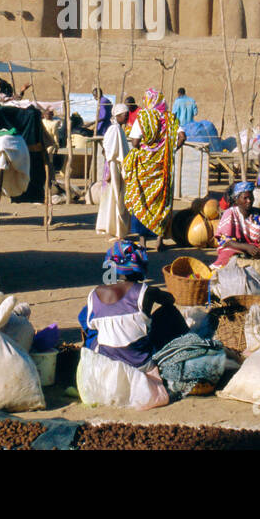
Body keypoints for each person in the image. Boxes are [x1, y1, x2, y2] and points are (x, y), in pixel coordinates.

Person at [79, 240, 186, 364]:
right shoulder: (146, 291)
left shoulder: (95, 293)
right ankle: (185, 346)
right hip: (141, 361)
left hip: (106, 360)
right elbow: (170, 300)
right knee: (170, 311)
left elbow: (87, 322)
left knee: (87, 316)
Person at [122, 88, 184, 250]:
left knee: (143, 201)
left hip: (144, 168)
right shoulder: (170, 118)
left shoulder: (143, 117)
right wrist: (169, 150)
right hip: (163, 167)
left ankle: (142, 241)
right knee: (162, 203)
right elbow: (182, 136)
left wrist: (148, 148)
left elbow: (135, 142)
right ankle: (159, 240)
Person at [214, 181, 260, 267]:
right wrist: (247, 247)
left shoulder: (259, 214)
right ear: (236, 200)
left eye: (251, 197)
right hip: (237, 248)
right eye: (245, 198)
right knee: (227, 254)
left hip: (255, 248)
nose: (249, 201)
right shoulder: (230, 213)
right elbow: (225, 240)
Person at [95, 103, 132, 240]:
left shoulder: (119, 130)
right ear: (118, 116)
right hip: (114, 167)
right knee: (116, 198)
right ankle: (116, 230)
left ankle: (116, 228)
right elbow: (109, 152)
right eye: (125, 115)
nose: (127, 117)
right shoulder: (114, 130)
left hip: (117, 167)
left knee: (117, 198)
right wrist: (110, 171)